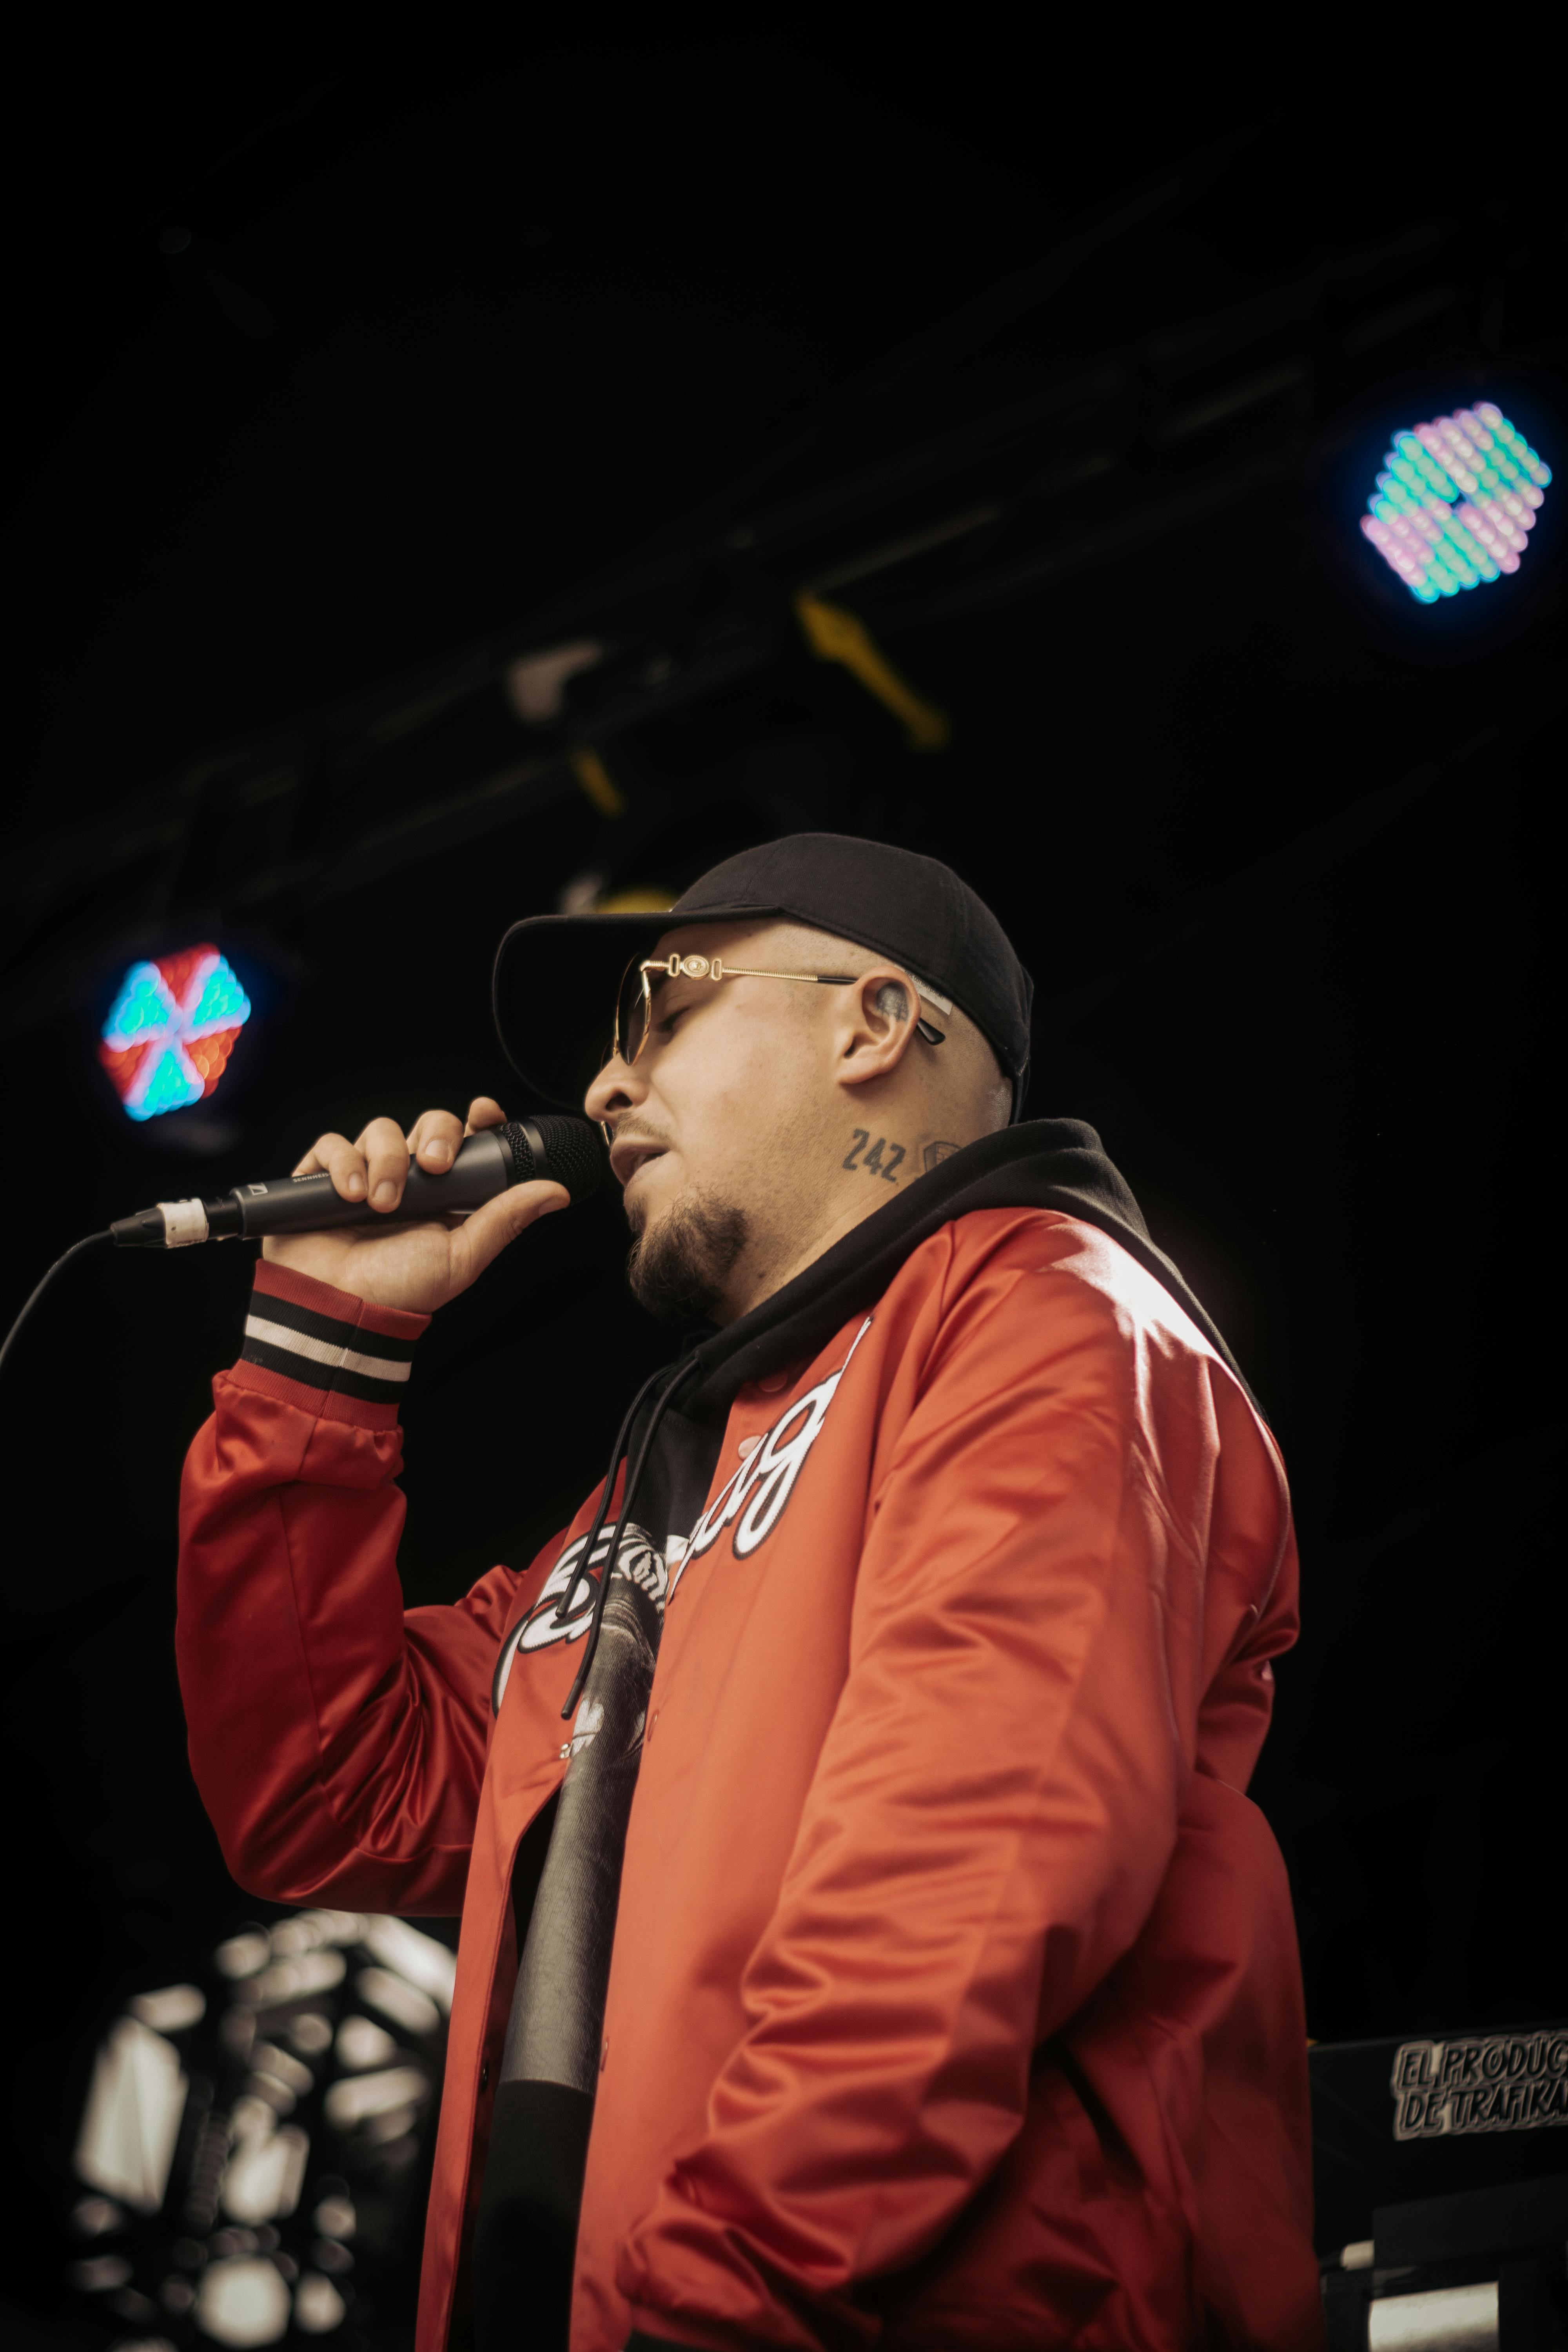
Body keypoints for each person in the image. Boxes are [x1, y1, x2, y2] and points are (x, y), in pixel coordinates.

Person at [177, 833, 1323, 2351]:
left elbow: (960, 1884)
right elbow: (328, 1792)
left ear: (868, 1025)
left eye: (658, 1006)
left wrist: (709, 2314)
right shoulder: (674, 1480)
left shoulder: (1056, 1326)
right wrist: (326, 1353)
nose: (599, 1087)